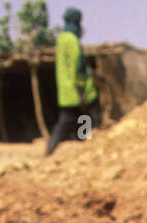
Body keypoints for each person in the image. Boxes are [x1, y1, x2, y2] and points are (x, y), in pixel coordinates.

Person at [46, 7, 99, 156]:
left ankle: (52, 148)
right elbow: (78, 66)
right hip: (77, 89)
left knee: (67, 120)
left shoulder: (61, 40)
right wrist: (82, 91)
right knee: (85, 116)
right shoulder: (73, 40)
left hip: (65, 90)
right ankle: (85, 145)